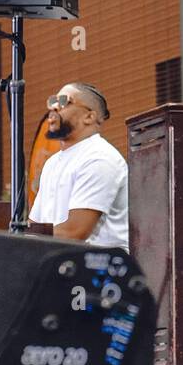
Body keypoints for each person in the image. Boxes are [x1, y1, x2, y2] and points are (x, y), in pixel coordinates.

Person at [27, 82, 128, 250]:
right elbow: (36, 224)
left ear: (89, 117)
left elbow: (74, 232)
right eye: (52, 103)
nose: (54, 109)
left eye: (64, 102)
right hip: (61, 261)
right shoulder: (52, 163)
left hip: (98, 267)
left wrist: (23, 238)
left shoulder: (99, 158)